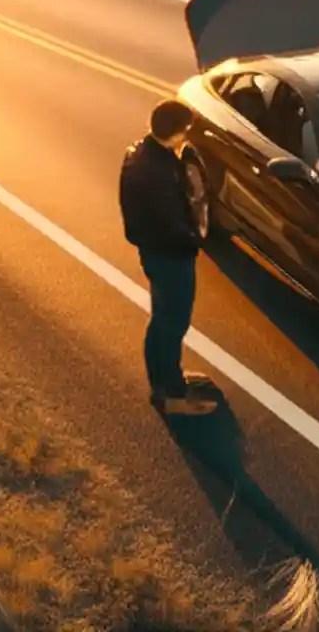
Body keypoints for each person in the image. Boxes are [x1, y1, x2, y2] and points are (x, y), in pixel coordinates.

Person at [118, 99, 217, 416]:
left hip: (154, 251)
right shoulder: (157, 173)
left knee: (161, 318)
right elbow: (172, 222)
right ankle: (173, 395)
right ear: (175, 132)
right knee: (173, 322)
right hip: (169, 255)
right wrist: (193, 241)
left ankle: (163, 381)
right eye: (186, 129)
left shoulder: (140, 154)